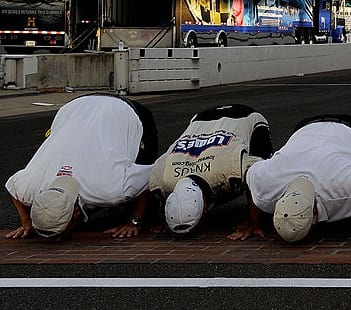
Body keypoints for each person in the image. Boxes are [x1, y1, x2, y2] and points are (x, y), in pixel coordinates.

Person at [5, 94, 159, 240]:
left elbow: (151, 175)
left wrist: (135, 221)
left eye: (61, 233)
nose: (58, 240)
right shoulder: (29, 187)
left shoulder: (110, 189)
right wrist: (26, 223)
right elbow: (13, 188)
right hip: (72, 107)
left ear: (76, 213)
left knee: (144, 164)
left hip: (123, 111)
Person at [231, 114, 351, 243]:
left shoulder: (344, 186)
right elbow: (249, 173)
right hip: (305, 127)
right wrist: (254, 222)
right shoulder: (266, 184)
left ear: (314, 217)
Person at [147, 104, 272, 233]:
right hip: (200, 120)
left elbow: (256, 175)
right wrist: (166, 218)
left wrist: (254, 222)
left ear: (205, 207)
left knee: (264, 169)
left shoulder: (230, 170)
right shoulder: (161, 180)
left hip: (244, 116)